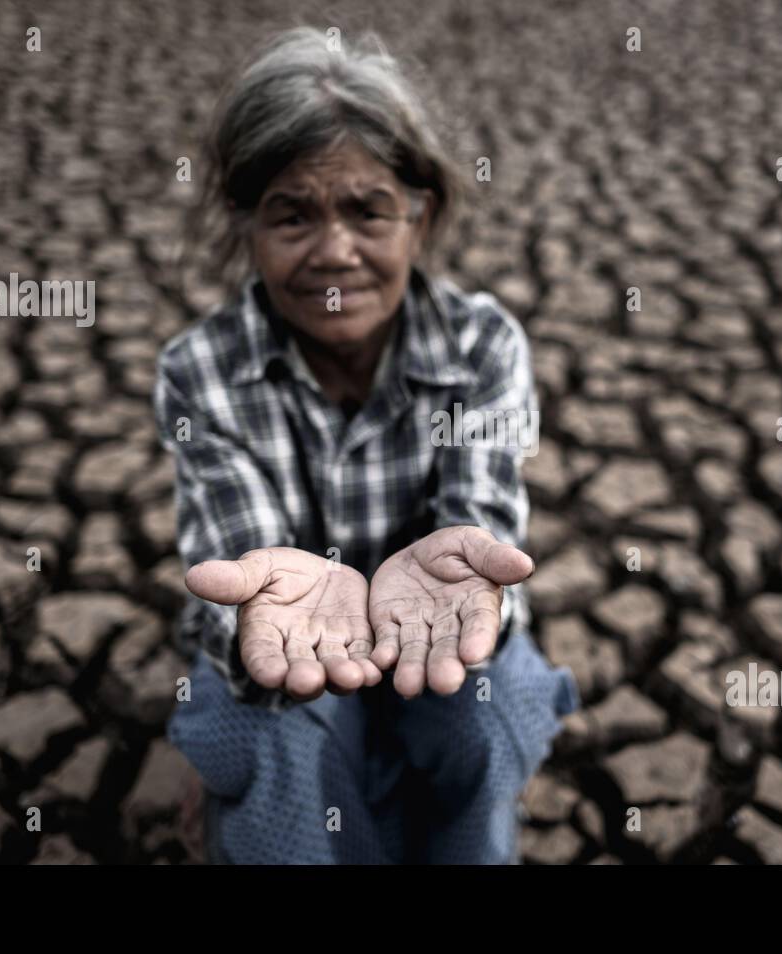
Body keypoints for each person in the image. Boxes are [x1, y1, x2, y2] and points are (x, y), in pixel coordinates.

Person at [154, 25, 579, 864]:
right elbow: (247, 564)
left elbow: (482, 525)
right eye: (292, 215)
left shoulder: (482, 347)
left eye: (368, 210)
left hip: (432, 643)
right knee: (273, 741)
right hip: (298, 659)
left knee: (486, 713)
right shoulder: (202, 370)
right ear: (244, 223)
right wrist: (258, 611)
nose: (334, 252)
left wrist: (473, 596)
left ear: (421, 216)